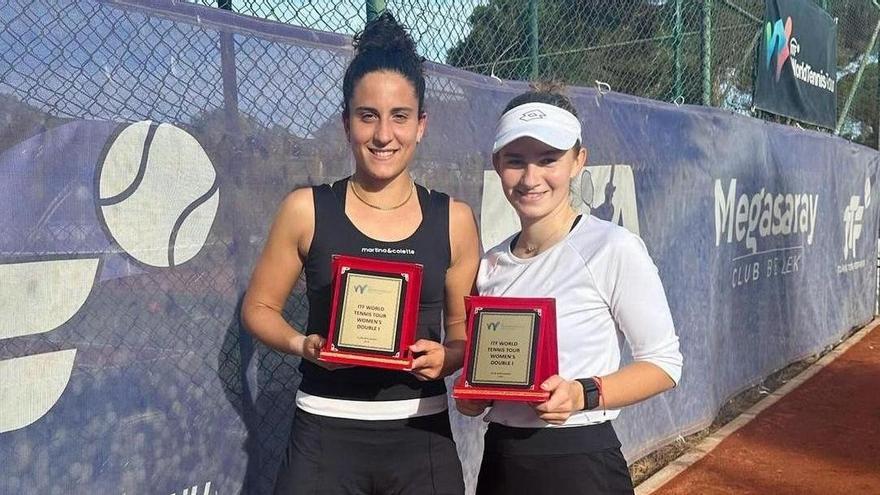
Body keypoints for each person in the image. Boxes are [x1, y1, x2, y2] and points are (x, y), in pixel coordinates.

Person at [241, 12, 479, 495]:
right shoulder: (306, 209)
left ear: (421, 125)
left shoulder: (454, 219)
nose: (383, 135)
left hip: (421, 434)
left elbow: (461, 331)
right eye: (368, 115)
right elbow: (259, 309)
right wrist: (302, 344)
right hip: (324, 435)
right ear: (346, 121)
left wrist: (449, 357)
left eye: (400, 117)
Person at [456, 84, 683, 495]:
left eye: (548, 160)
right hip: (502, 460)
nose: (530, 178)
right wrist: (475, 397)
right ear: (497, 164)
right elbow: (492, 373)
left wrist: (583, 393)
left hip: (581, 463)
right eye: (515, 161)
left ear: (579, 161)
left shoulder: (613, 247)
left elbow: (664, 364)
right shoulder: (488, 265)